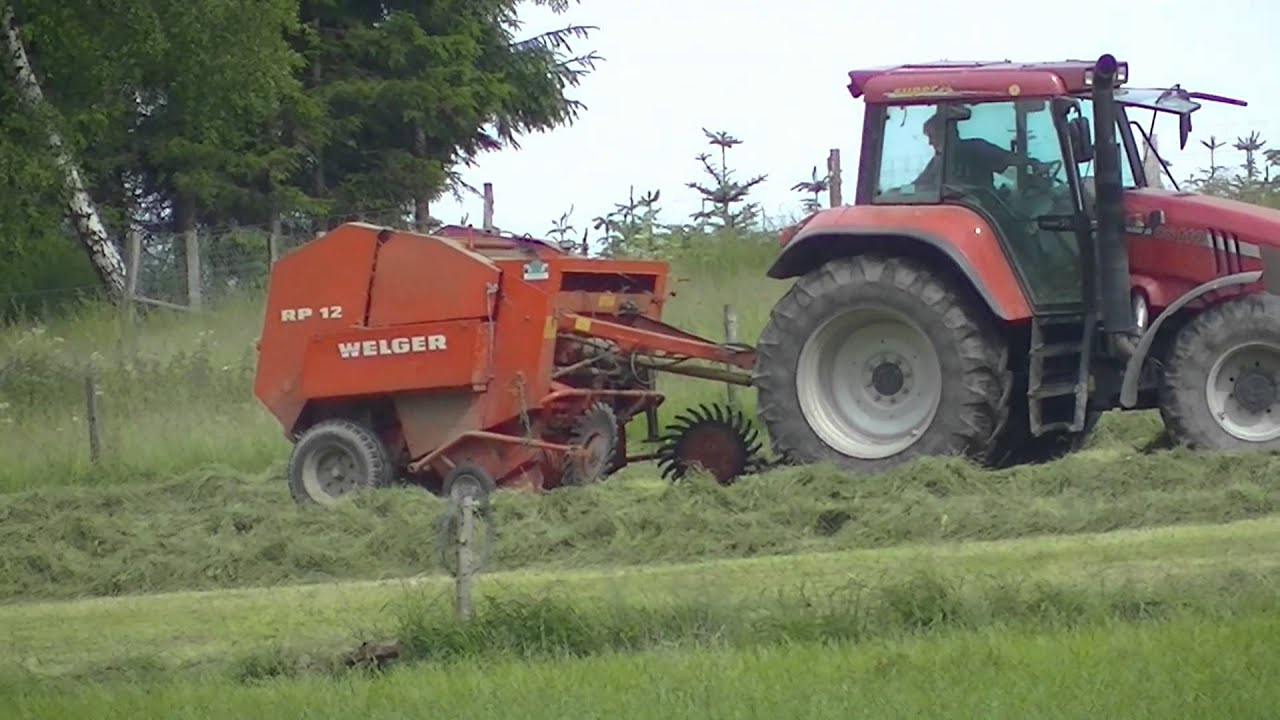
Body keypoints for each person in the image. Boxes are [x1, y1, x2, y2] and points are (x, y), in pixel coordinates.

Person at [912, 108, 1019, 190]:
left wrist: (1031, 164)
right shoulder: (939, 161)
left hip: (981, 210)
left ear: (948, 134)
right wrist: (899, 192)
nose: (930, 143)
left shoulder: (976, 149)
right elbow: (918, 186)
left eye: (932, 136)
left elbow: (1012, 160)